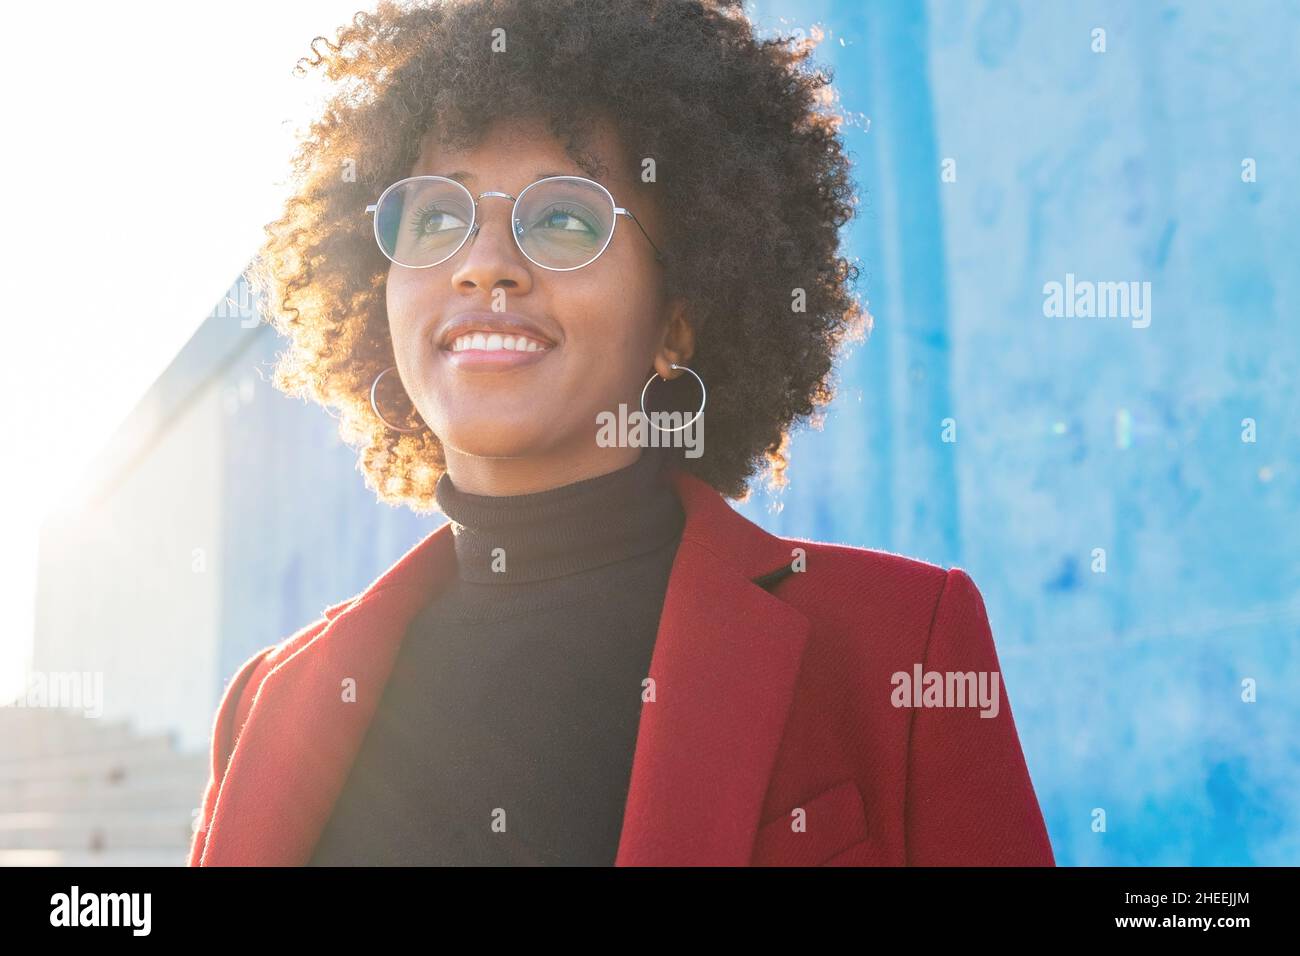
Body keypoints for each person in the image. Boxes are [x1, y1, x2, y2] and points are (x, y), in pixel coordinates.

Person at [188, 0, 1054, 866]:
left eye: (565, 217)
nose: (482, 261)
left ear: (677, 321)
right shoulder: (272, 701)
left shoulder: (900, 644)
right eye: (438, 217)